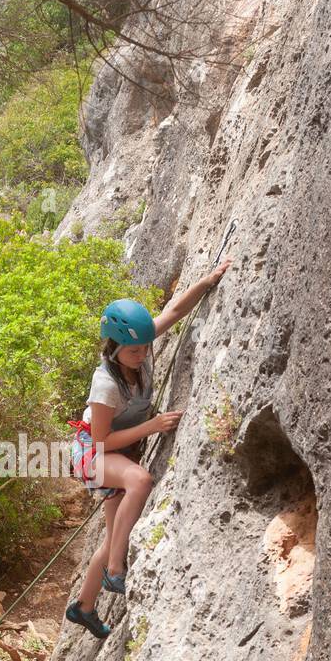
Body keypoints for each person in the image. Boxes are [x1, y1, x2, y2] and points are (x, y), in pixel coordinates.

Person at [66, 258, 231, 640]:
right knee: (139, 481)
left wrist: (207, 281)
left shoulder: (138, 341)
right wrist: (153, 426)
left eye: (145, 348)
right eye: (135, 351)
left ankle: (84, 606)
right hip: (94, 454)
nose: (142, 355)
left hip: (120, 450)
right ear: (116, 346)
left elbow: (173, 311)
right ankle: (116, 570)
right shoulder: (105, 384)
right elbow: (102, 441)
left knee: (112, 536)